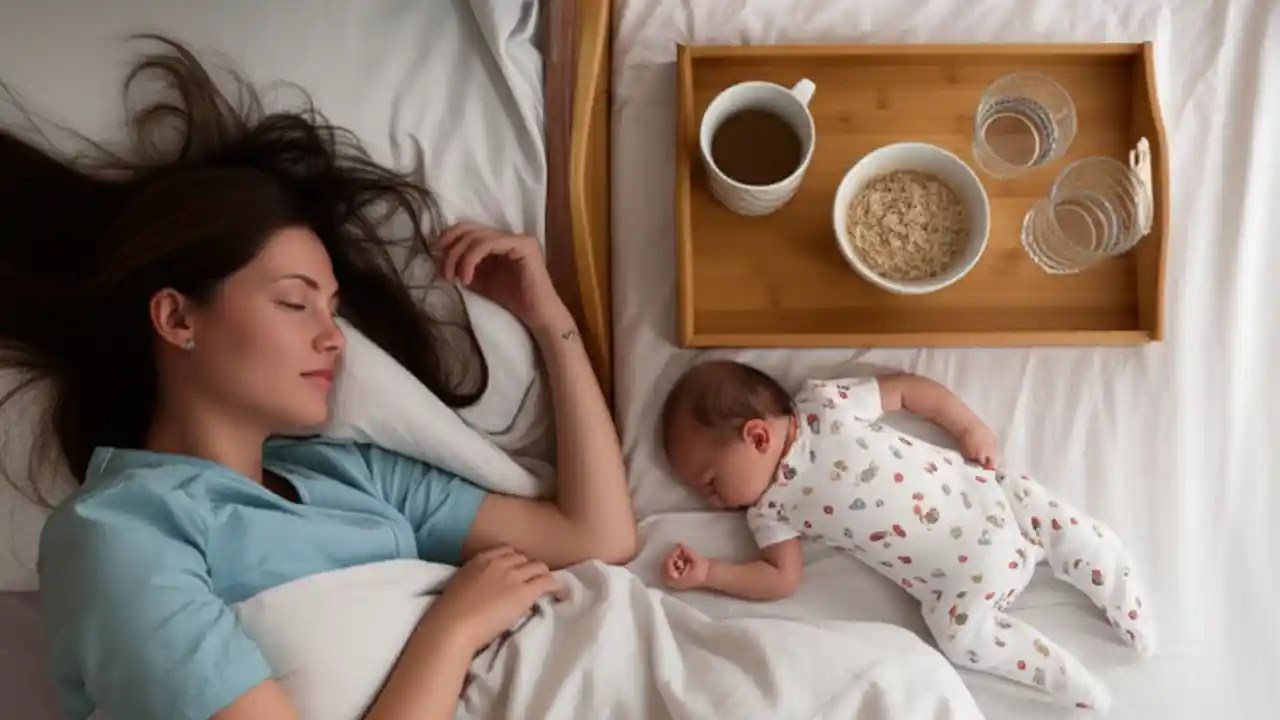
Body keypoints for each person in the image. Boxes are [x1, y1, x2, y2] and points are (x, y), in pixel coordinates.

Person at [0, 38, 634, 720]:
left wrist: (549, 323)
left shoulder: (348, 477)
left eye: (331, 308)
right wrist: (452, 630)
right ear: (179, 318)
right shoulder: (121, 534)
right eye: (295, 302)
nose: (334, 337)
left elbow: (596, 535)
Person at [657, 360, 1154, 711]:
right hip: (957, 588)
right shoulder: (771, 509)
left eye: (711, 482)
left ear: (756, 437)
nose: (712, 503)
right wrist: (710, 572)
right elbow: (780, 578)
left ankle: (1116, 586)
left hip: (989, 503)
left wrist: (968, 426)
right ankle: (1067, 679)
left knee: (1046, 513)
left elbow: (906, 391)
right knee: (959, 638)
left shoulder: (824, 406)